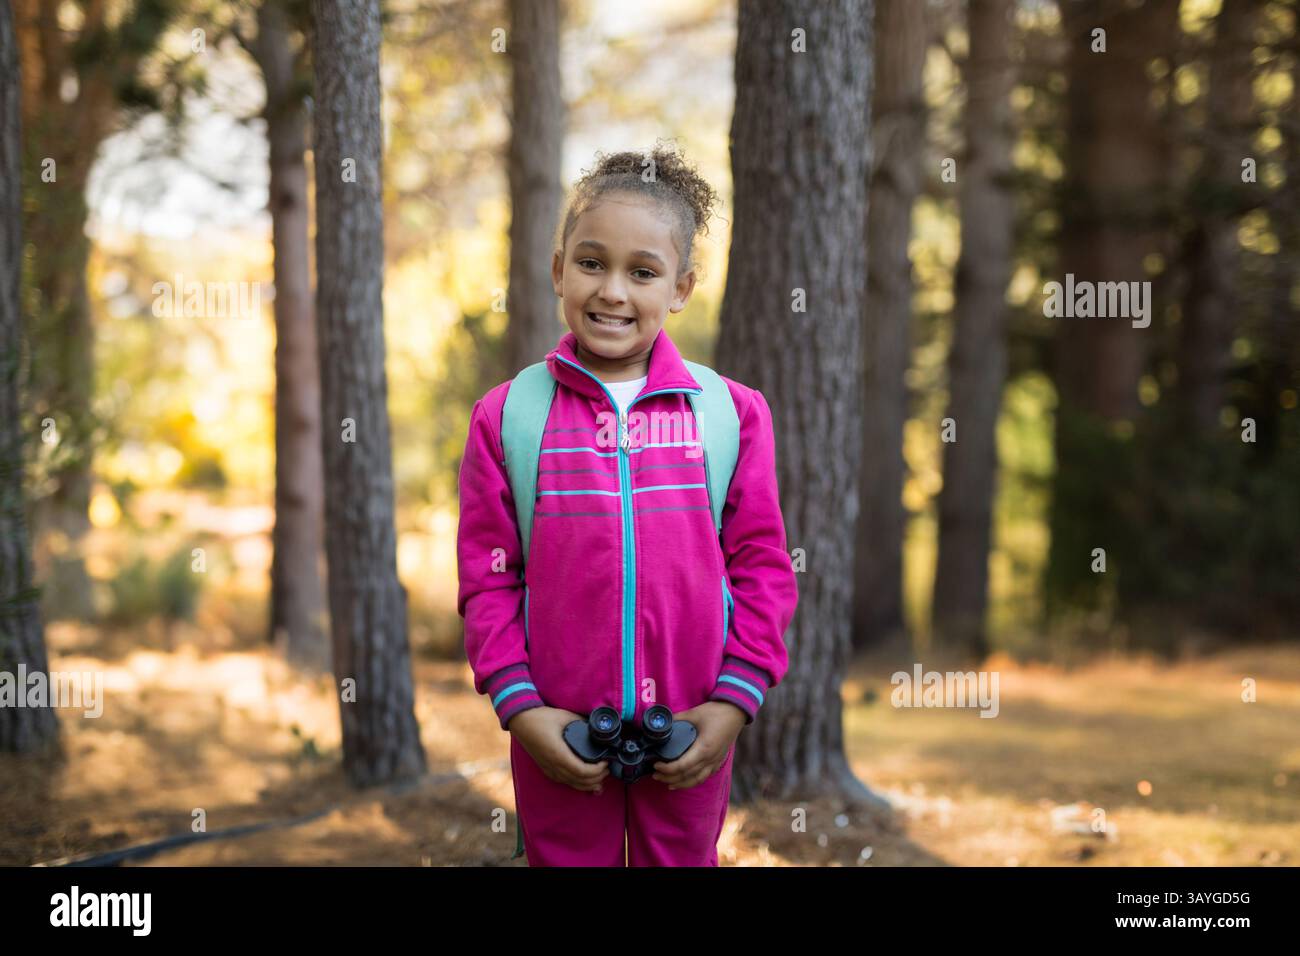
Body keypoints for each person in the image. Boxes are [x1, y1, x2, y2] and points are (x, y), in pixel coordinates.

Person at [456, 141, 798, 866]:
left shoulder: (729, 415)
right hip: (559, 731)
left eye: (642, 272)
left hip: (691, 727)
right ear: (558, 271)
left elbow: (763, 567)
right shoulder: (508, 415)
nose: (613, 291)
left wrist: (734, 704)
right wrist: (521, 710)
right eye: (591, 263)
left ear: (680, 288)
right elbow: (488, 579)